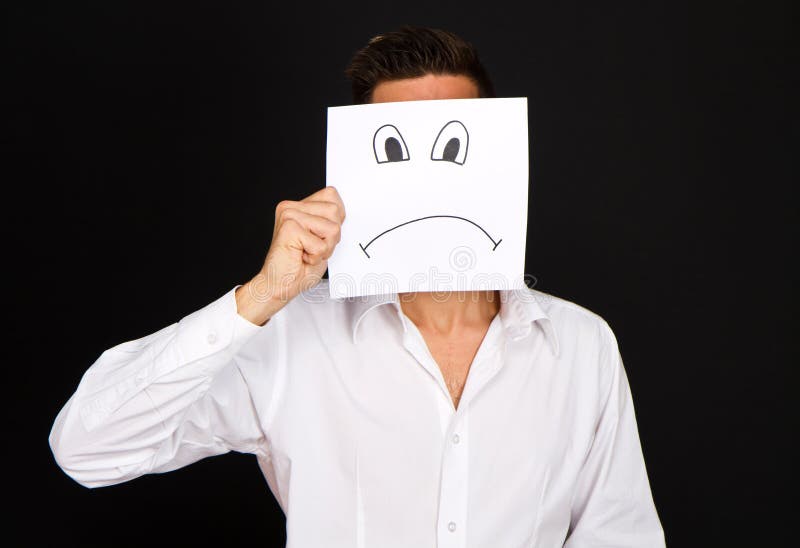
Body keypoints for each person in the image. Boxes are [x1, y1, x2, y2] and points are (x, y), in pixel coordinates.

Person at [50, 26, 665, 547]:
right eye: (398, 149)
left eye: (452, 145)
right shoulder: (292, 339)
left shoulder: (582, 346)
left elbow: (621, 533)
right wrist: (262, 295)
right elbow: (88, 447)